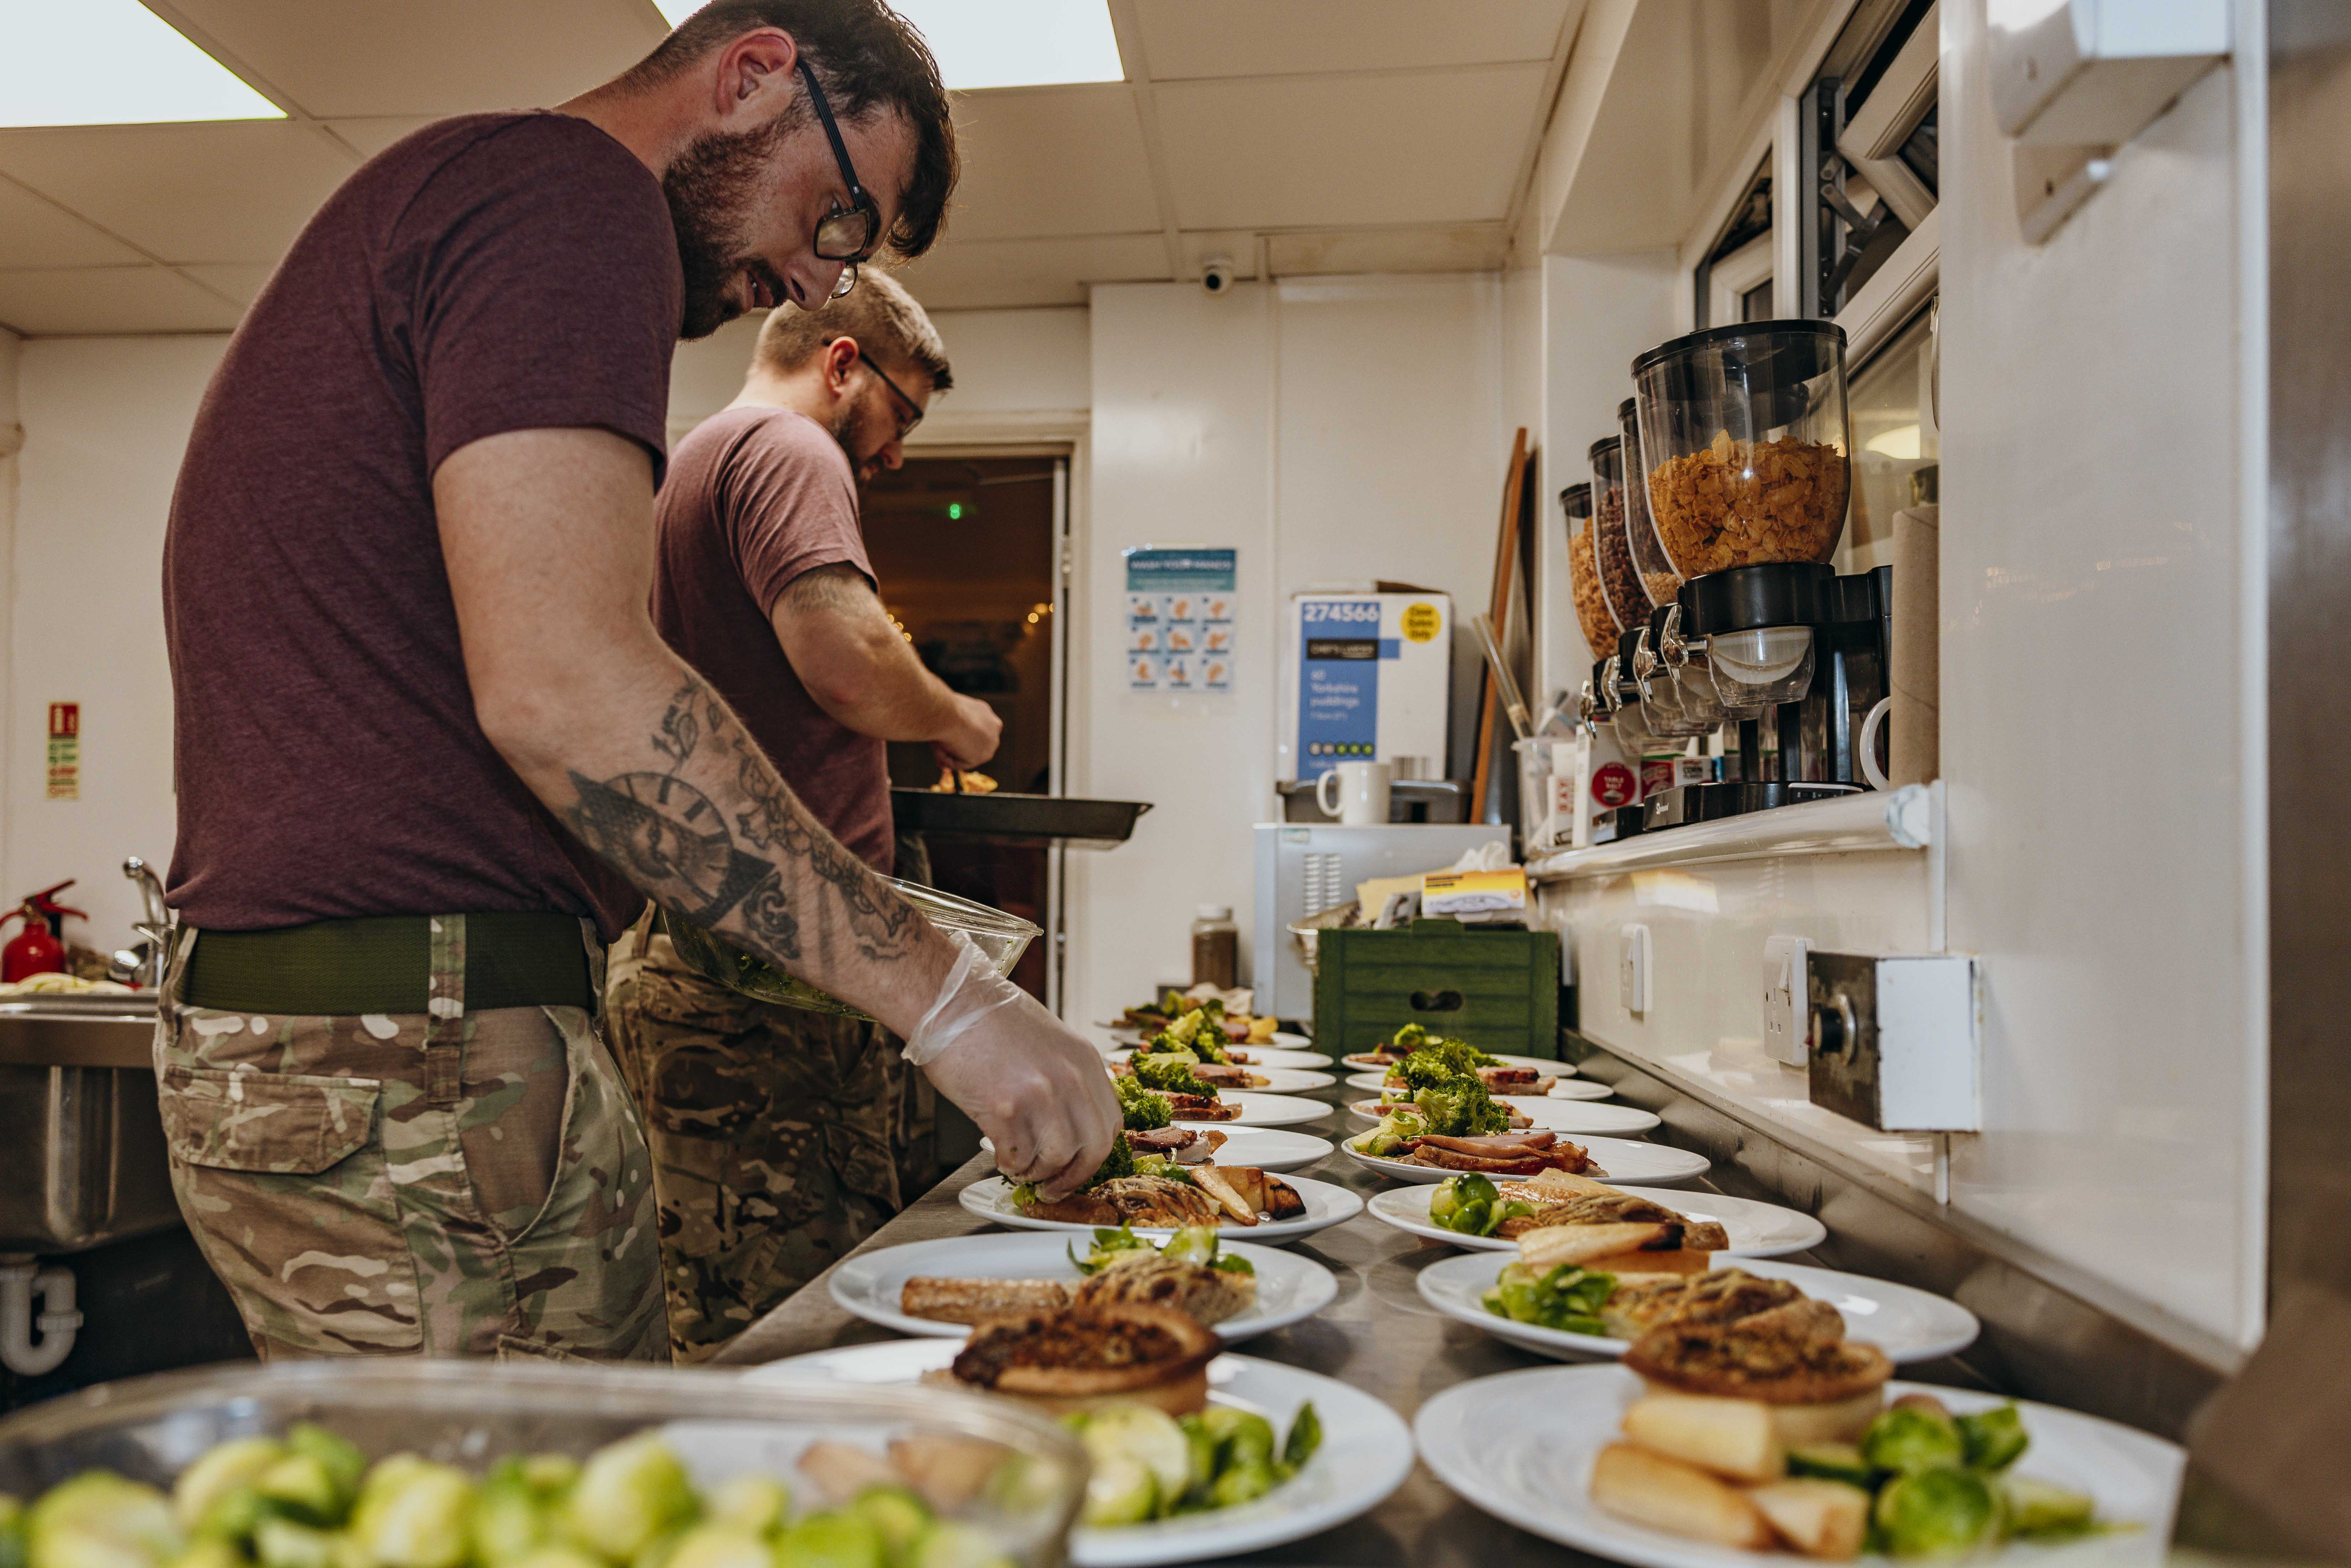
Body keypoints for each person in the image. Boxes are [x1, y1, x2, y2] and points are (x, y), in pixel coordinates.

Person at [155, 0, 1118, 1363]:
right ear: (755, 74)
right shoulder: (570, 195)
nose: (815, 281)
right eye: (838, 218)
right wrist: (948, 998)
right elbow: (568, 689)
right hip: (419, 1042)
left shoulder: (464, 199)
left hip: (356, 1033)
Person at [605, 275, 997, 1360]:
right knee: (793, 1325)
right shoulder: (789, 449)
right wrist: (957, 719)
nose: (896, 454)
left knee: (724, 1300)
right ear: (841, 365)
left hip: (712, 958)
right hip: (765, 981)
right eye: (900, 415)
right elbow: (845, 658)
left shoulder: (692, 463)